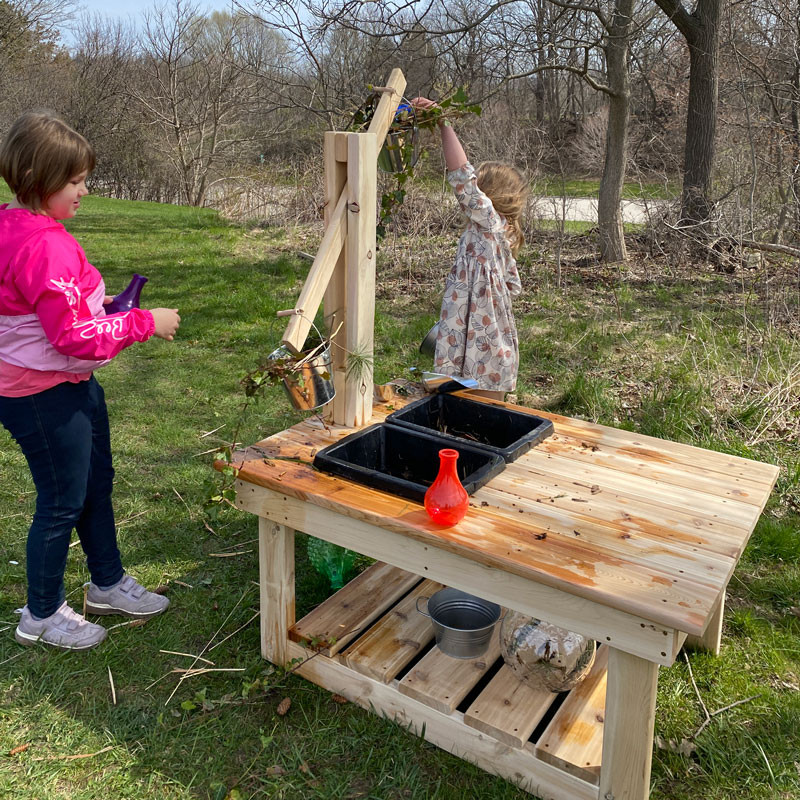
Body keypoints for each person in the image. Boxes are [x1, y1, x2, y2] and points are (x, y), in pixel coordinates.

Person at [0, 111, 181, 651]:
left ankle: (106, 582)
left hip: (64, 387)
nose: (85, 190)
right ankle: (42, 614)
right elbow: (71, 338)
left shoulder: (18, 226)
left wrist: (96, 304)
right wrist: (143, 322)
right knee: (61, 500)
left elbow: (49, 310)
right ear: (40, 179)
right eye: (75, 181)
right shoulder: (42, 245)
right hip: (43, 394)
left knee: (93, 485)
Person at [411, 97, 528, 400]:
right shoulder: (500, 233)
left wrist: (443, 124)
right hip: (483, 341)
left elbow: (461, 175)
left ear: (488, 196)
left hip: (480, 344)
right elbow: (513, 286)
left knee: (475, 406)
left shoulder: (488, 222)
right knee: (477, 408)